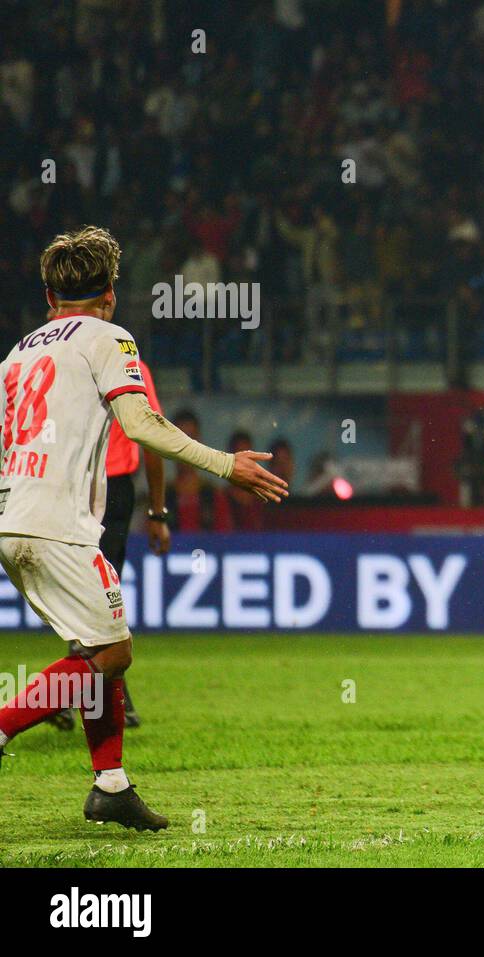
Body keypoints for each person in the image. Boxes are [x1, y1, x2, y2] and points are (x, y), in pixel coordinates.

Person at [0, 226, 289, 831]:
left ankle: (110, 785)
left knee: (93, 649)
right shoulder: (110, 338)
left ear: (50, 299)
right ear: (110, 294)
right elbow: (143, 426)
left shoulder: (18, 352)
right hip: (61, 524)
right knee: (113, 652)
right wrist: (223, 464)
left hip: (14, 519)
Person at [47, 337, 169, 731]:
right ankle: (88, 695)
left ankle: (74, 695)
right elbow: (153, 438)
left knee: (83, 592)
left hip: (68, 486)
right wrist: (157, 511)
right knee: (97, 593)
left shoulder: (50, 361)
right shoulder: (128, 364)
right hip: (108, 490)